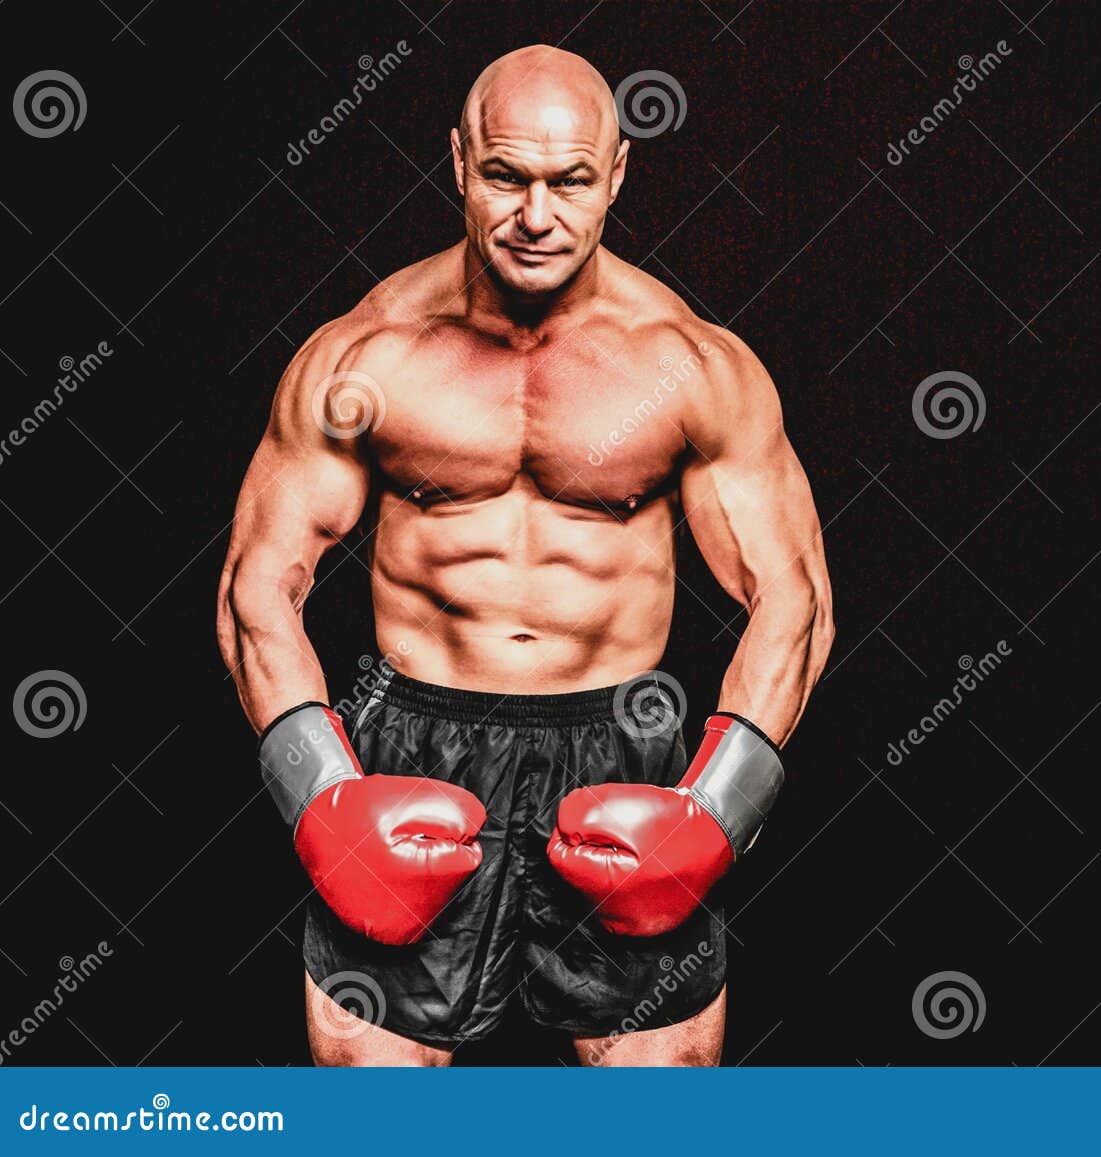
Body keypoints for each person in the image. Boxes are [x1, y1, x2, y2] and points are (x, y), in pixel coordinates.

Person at [216, 44, 833, 1067]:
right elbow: (258, 586)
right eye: (507, 176)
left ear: (618, 174)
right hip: (413, 747)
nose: (536, 214)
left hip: (621, 749)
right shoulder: (366, 356)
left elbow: (792, 598)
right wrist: (322, 794)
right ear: (459, 162)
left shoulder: (687, 364)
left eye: (570, 181)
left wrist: (717, 811)